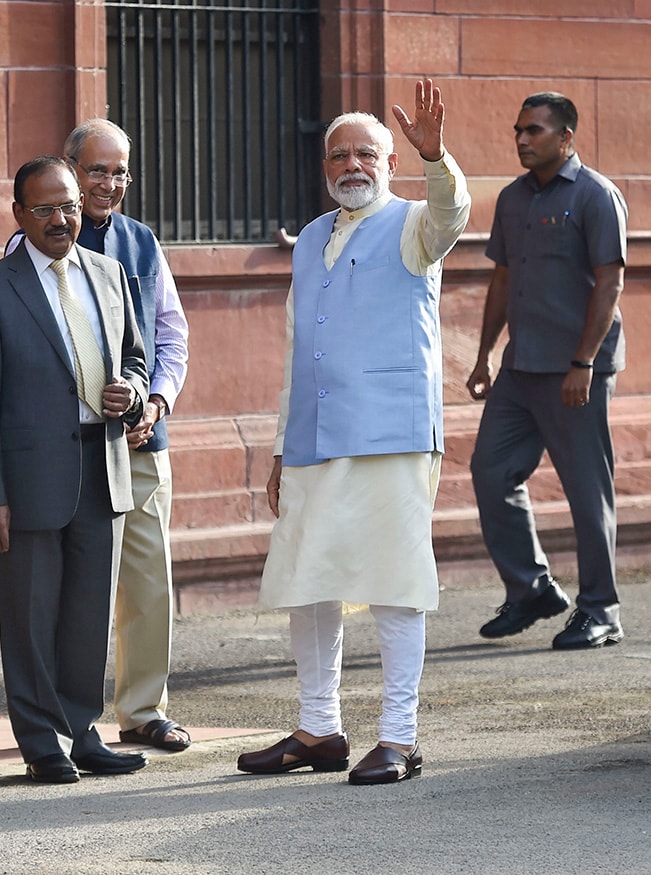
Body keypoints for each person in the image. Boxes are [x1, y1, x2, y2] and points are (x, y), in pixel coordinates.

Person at [236, 79, 470, 785]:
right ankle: (319, 728)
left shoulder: (414, 223)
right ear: (324, 167)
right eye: (339, 155)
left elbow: (452, 212)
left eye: (366, 154)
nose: (352, 166)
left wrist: (436, 158)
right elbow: (296, 349)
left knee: (395, 582)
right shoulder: (310, 238)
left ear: (390, 163)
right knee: (307, 580)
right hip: (313, 438)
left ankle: (399, 737)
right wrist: (280, 448)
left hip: (391, 434)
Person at [0, 156, 150, 784]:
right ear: (19, 214)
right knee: (31, 616)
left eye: (68, 206)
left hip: (103, 465)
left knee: (88, 616)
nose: (61, 219)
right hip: (27, 480)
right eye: (45, 209)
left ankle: (82, 732)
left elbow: (136, 357)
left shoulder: (110, 274)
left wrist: (133, 392)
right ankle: (41, 743)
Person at [7, 119, 191, 751]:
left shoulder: (142, 242)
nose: (109, 184)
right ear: (69, 169)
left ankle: (143, 711)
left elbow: (170, 333)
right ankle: (59, 721)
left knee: (149, 581)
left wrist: (156, 402)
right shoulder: (29, 244)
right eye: (97, 171)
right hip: (63, 452)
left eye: (120, 172)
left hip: (139, 444)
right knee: (65, 589)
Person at [467, 93, 628, 650]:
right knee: (491, 472)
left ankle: (601, 610)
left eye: (533, 130)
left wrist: (584, 362)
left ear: (566, 137)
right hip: (520, 367)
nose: (521, 139)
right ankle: (531, 589)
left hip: (574, 371)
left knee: (587, 491)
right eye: (518, 130)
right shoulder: (512, 198)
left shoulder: (595, 195)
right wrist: (486, 354)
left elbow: (610, 283)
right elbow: (503, 279)